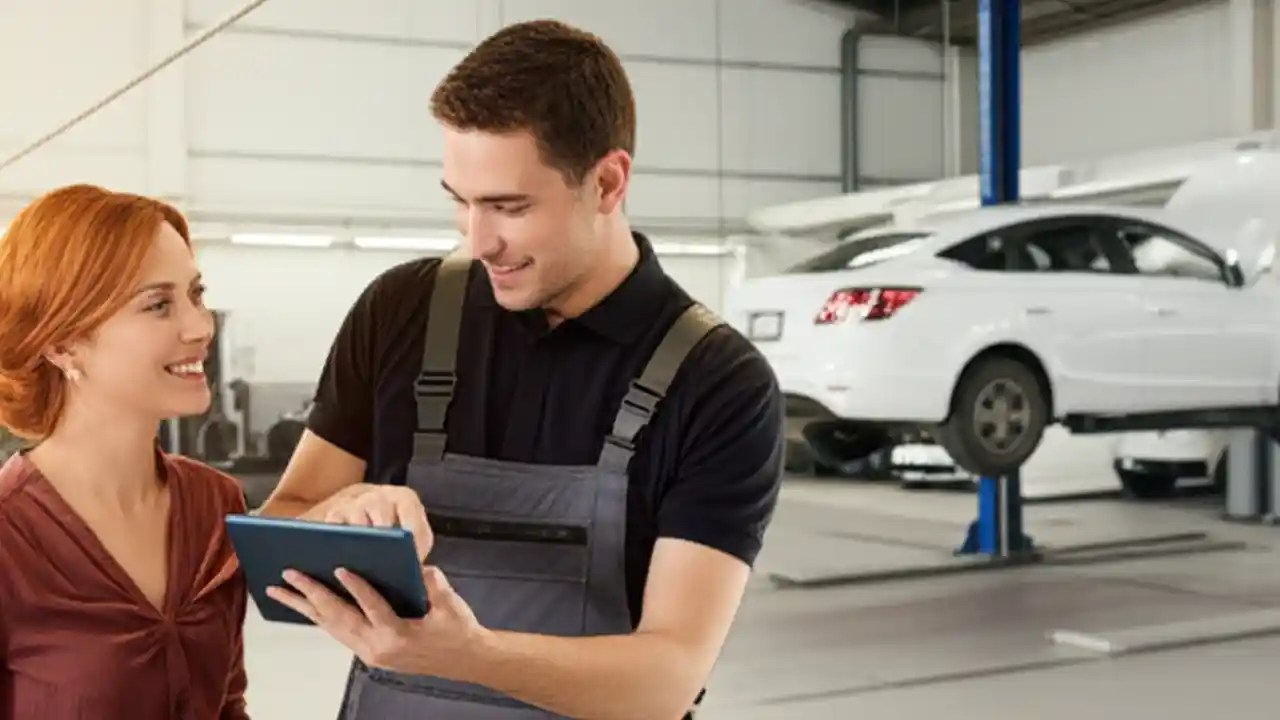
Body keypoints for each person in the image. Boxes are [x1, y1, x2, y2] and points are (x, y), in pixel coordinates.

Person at [258, 18, 784, 719]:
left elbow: (668, 679)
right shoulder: (401, 310)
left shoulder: (718, 382)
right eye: (460, 201)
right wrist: (342, 515)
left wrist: (470, 656)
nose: (479, 241)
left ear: (607, 181)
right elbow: (283, 524)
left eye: (509, 207)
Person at [0, 185, 251, 719]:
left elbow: (227, 704)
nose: (200, 326)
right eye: (158, 305)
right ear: (63, 344)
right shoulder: (8, 538)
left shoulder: (215, 504)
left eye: (196, 295)